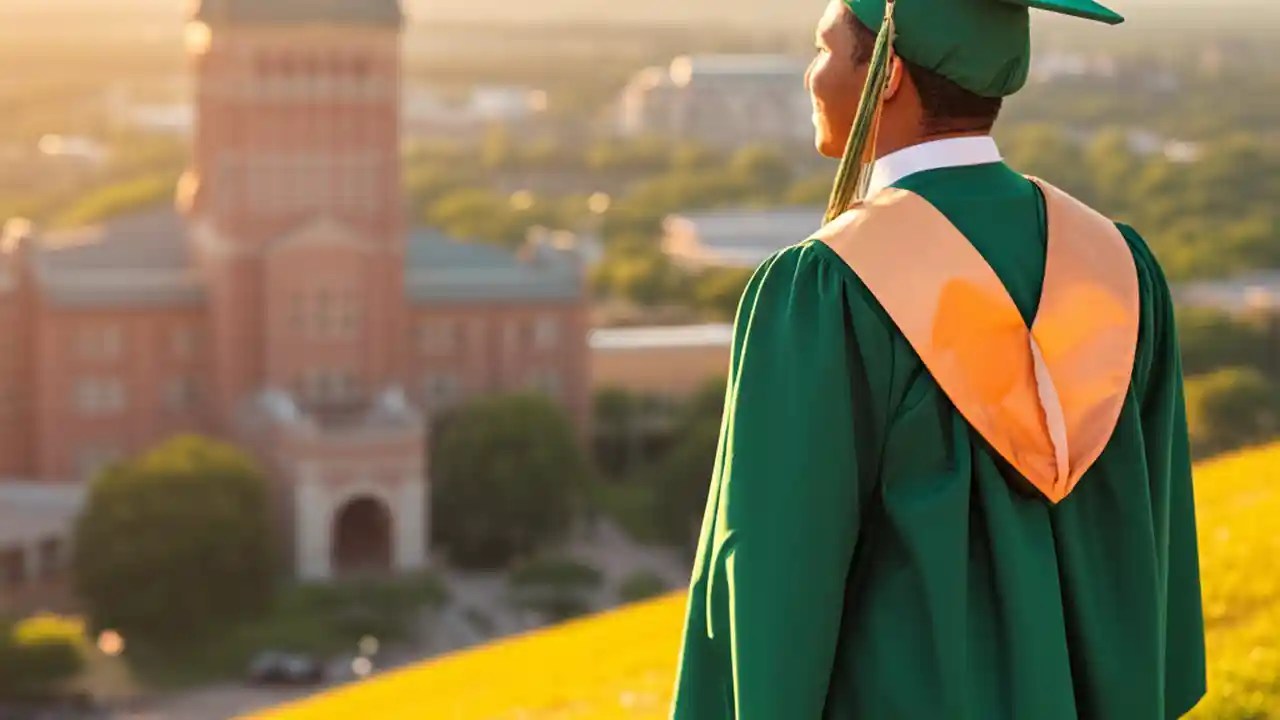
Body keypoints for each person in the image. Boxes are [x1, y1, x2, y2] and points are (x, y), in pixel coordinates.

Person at [670, 0, 1206, 717]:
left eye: (823, 49)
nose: (811, 74)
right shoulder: (1120, 268)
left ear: (886, 73)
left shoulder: (828, 290)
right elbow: (1152, 547)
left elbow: (771, 578)